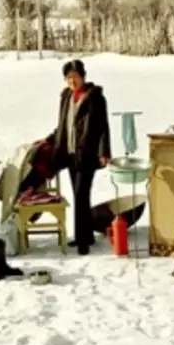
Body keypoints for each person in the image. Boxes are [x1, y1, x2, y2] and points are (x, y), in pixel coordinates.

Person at [48, 59, 111, 255]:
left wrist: (104, 152)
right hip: (69, 153)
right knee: (78, 195)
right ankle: (85, 236)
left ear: (83, 76)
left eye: (75, 77)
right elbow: (63, 124)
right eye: (68, 78)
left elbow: (103, 127)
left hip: (88, 153)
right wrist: (50, 139)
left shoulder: (95, 98)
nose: (72, 81)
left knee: (81, 194)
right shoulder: (66, 97)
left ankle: (83, 240)